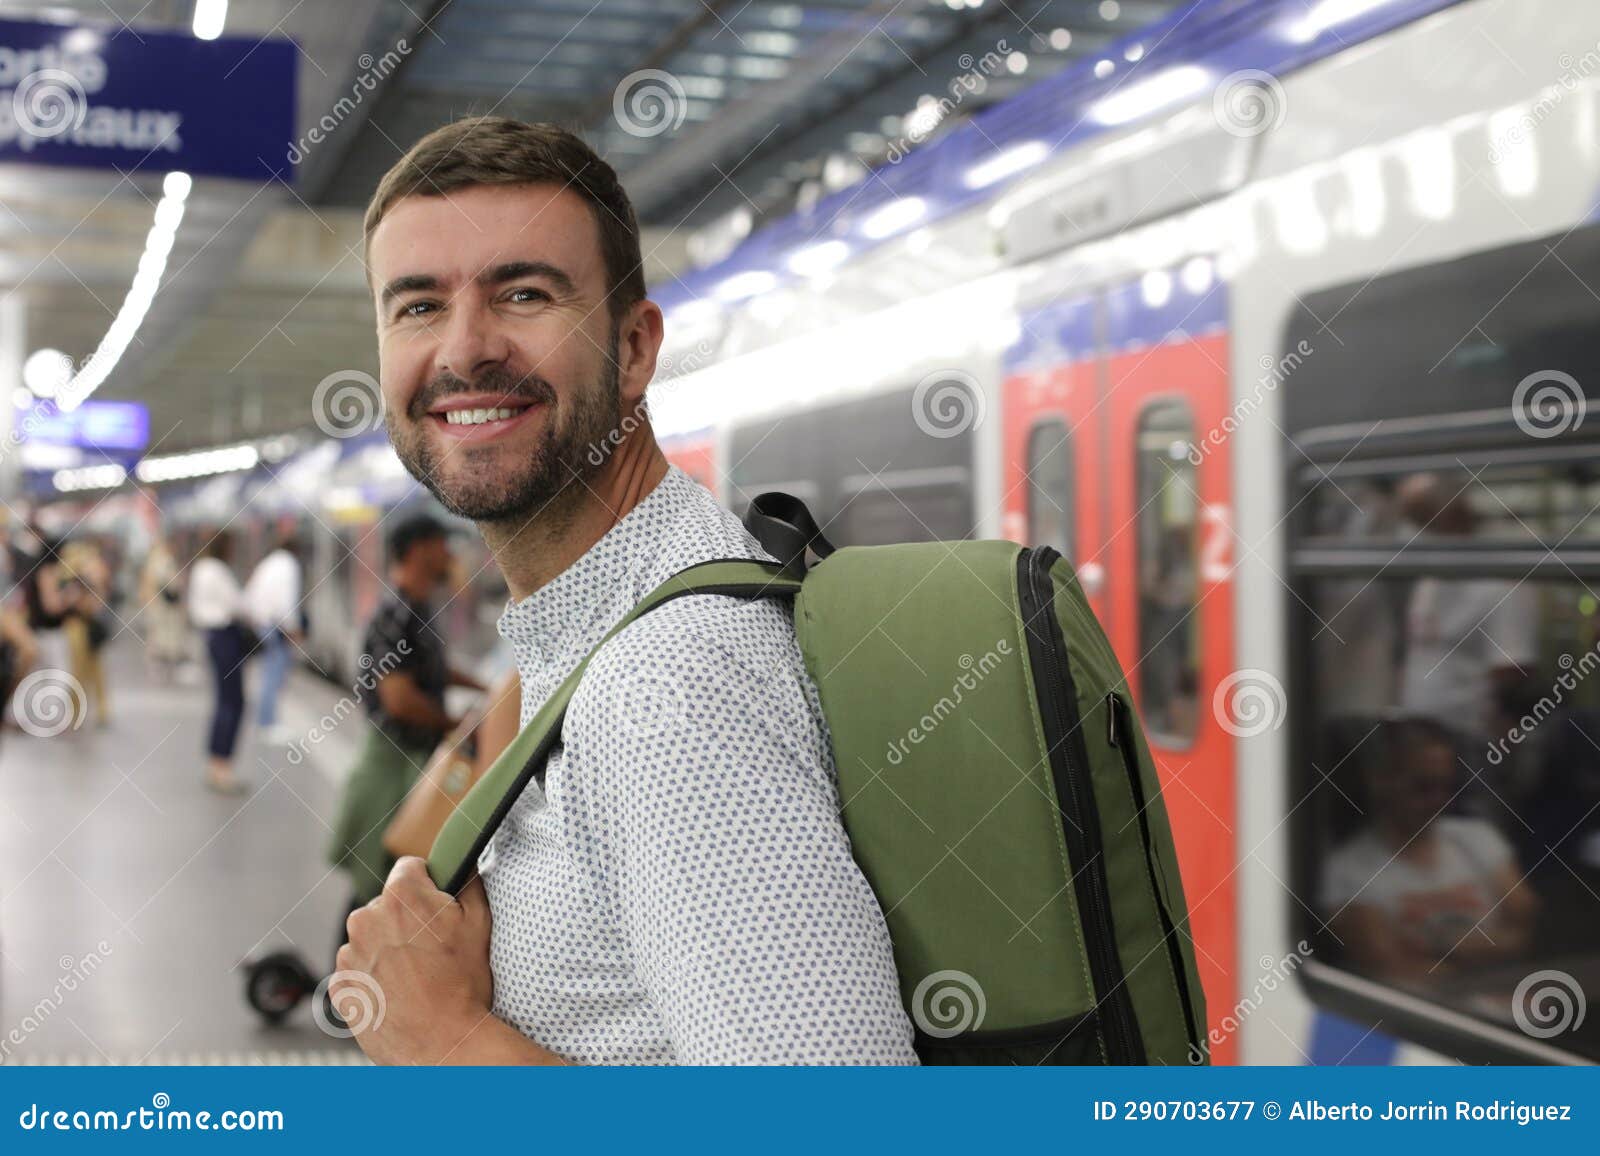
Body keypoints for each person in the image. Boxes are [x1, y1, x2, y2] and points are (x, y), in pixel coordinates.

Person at [335, 116, 916, 1065]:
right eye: (418, 307)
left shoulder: (662, 682)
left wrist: (446, 1039)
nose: (464, 349)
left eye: (524, 293)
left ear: (636, 348)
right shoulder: (599, 630)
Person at [326, 514, 485, 927]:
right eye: (441, 545)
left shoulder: (417, 609)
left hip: (410, 758)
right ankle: (346, 968)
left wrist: (487, 687)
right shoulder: (395, 614)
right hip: (393, 763)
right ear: (417, 551)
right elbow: (397, 698)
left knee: (389, 887)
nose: (449, 555)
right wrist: (452, 723)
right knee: (375, 886)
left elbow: (430, 670)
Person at [1321, 717, 1537, 985]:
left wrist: (1438, 949)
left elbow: (1525, 929)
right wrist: (1486, 947)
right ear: (1382, 781)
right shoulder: (1346, 871)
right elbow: (1390, 967)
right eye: (1422, 787)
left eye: (1445, 787)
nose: (1437, 800)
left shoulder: (1478, 837)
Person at [187, 532, 249, 794]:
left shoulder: (200, 568)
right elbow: (237, 604)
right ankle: (222, 766)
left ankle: (216, 764)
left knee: (224, 700)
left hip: (212, 636)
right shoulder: (217, 571)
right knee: (233, 701)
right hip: (226, 636)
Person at [243, 532, 304, 745]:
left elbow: (250, 594)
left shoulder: (267, 562)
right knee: (274, 674)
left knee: (268, 673)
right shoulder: (289, 565)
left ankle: (265, 721)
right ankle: (268, 723)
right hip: (274, 626)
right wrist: (293, 628)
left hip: (262, 623)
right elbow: (287, 601)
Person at [57, 537, 112, 729]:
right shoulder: (67, 580)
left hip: (85, 625)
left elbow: (97, 601)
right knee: (80, 671)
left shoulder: (85, 579)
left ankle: (94, 709)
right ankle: (79, 710)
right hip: (75, 625)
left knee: (93, 670)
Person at [138, 535, 190, 681]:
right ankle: (163, 667)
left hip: (156, 605)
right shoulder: (164, 561)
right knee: (164, 638)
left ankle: (160, 667)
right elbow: (168, 583)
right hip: (164, 607)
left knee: (157, 637)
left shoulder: (152, 561)